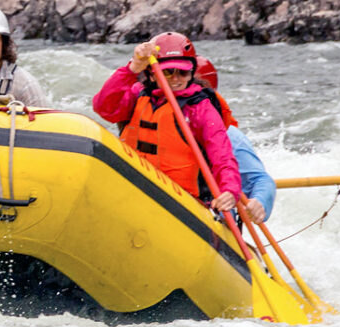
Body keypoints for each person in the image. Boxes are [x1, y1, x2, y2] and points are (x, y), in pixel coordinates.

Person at [92, 32, 239, 215]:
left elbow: (222, 155)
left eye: (182, 72)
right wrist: (133, 67)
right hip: (133, 190)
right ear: (152, 75)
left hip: (182, 202)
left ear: (191, 73)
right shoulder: (139, 94)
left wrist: (230, 190)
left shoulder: (201, 108)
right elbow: (104, 107)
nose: (176, 79)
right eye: (167, 72)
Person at [195, 57, 275, 225]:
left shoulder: (230, 136)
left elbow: (261, 180)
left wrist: (259, 202)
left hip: (211, 217)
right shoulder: (153, 119)